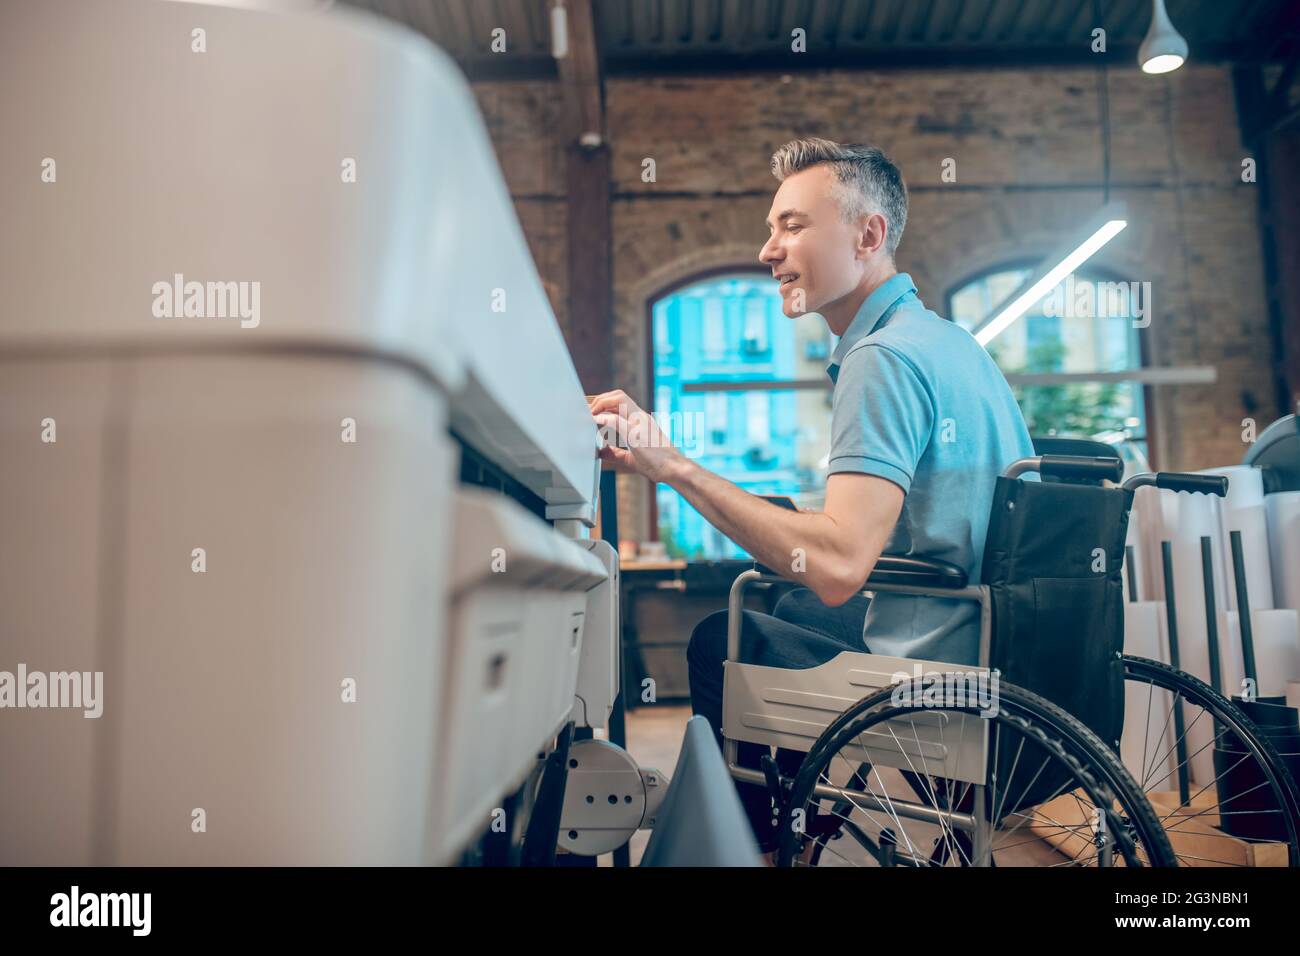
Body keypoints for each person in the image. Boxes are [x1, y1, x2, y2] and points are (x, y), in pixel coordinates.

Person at [588, 137, 1033, 855]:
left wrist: (671, 467)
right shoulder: (947, 341)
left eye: (792, 225)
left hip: (941, 667)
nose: (769, 250)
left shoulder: (881, 357)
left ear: (868, 235)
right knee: (786, 605)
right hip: (996, 641)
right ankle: (801, 811)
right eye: (772, 228)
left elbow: (837, 566)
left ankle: (763, 846)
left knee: (720, 638)